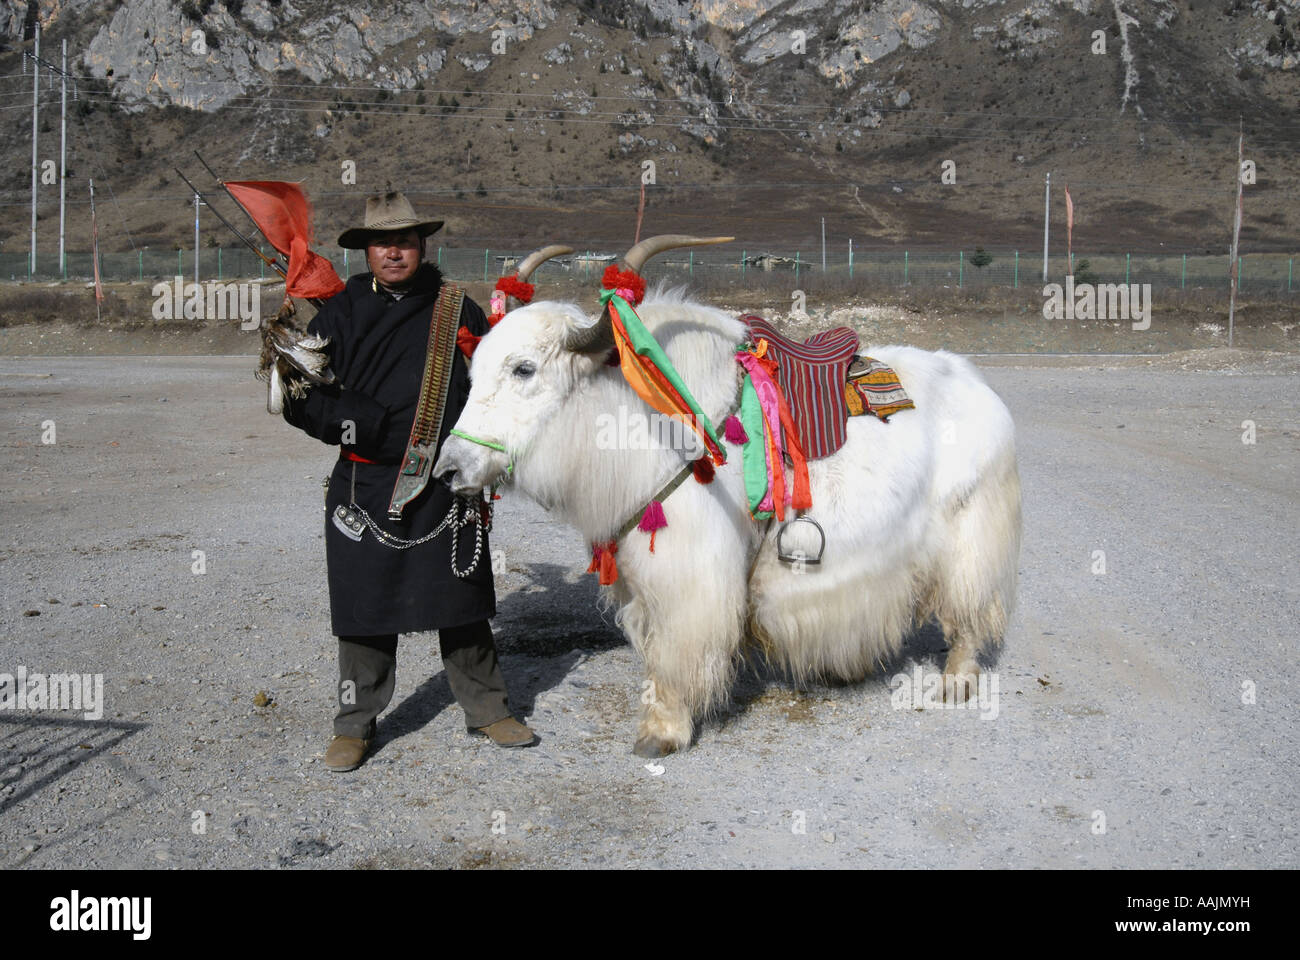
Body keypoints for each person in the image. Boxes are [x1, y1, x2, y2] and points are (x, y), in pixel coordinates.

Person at [281, 190, 537, 772]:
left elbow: (493, 388)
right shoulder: (336, 315)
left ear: (422, 246)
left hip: (446, 481)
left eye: (404, 241)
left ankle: (489, 708)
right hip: (365, 486)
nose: (394, 252)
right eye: (382, 243)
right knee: (363, 608)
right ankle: (355, 724)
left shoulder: (457, 309)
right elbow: (301, 400)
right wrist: (358, 424)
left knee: (462, 600)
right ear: (366, 252)